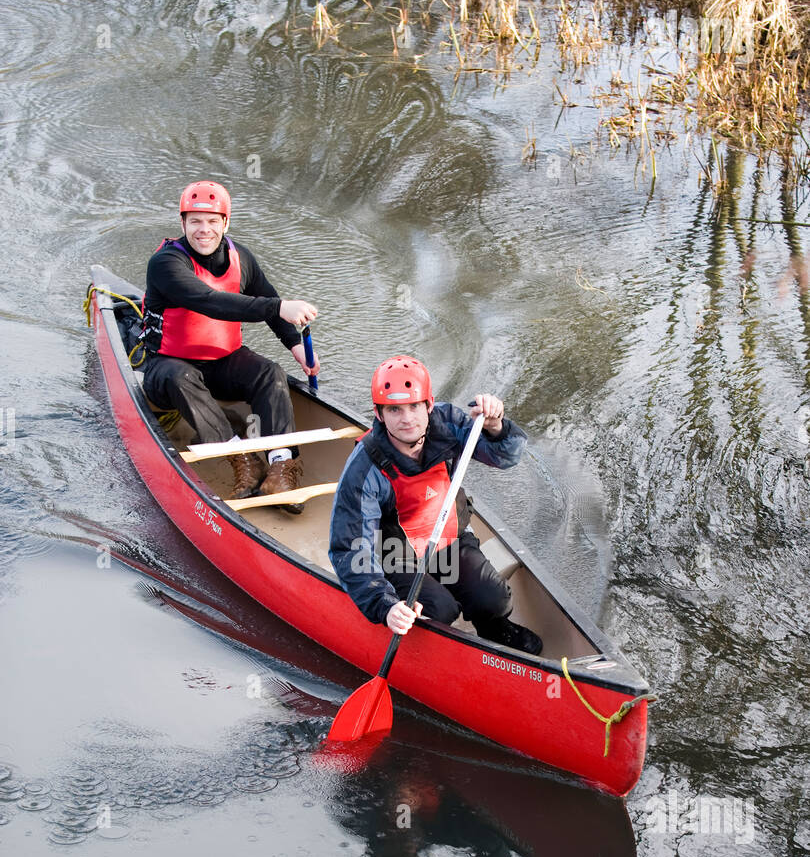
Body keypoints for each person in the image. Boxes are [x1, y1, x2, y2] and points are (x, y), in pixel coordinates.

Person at [328, 355, 543, 653]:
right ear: (379, 414)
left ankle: (493, 629)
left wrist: (495, 426)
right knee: (441, 612)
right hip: (397, 556)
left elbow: (505, 456)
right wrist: (385, 606)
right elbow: (349, 548)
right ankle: (430, 646)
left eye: (415, 406)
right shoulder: (364, 467)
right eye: (394, 409)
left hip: (449, 541)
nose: (407, 419)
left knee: (495, 598)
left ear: (429, 405)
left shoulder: (449, 424)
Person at [141, 181, 319, 512]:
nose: (203, 230)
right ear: (182, 224)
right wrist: (277, 308)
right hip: (167, 366)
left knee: (270, 373)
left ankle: (282, 466)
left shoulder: (242, 258)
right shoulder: (166, 264)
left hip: (223, 362)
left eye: (212, 221)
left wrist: (295, 344)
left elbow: (267, 296)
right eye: (194, 221)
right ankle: (243, 458)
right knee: (179, 376)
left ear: (226, 223)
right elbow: (210, 302)